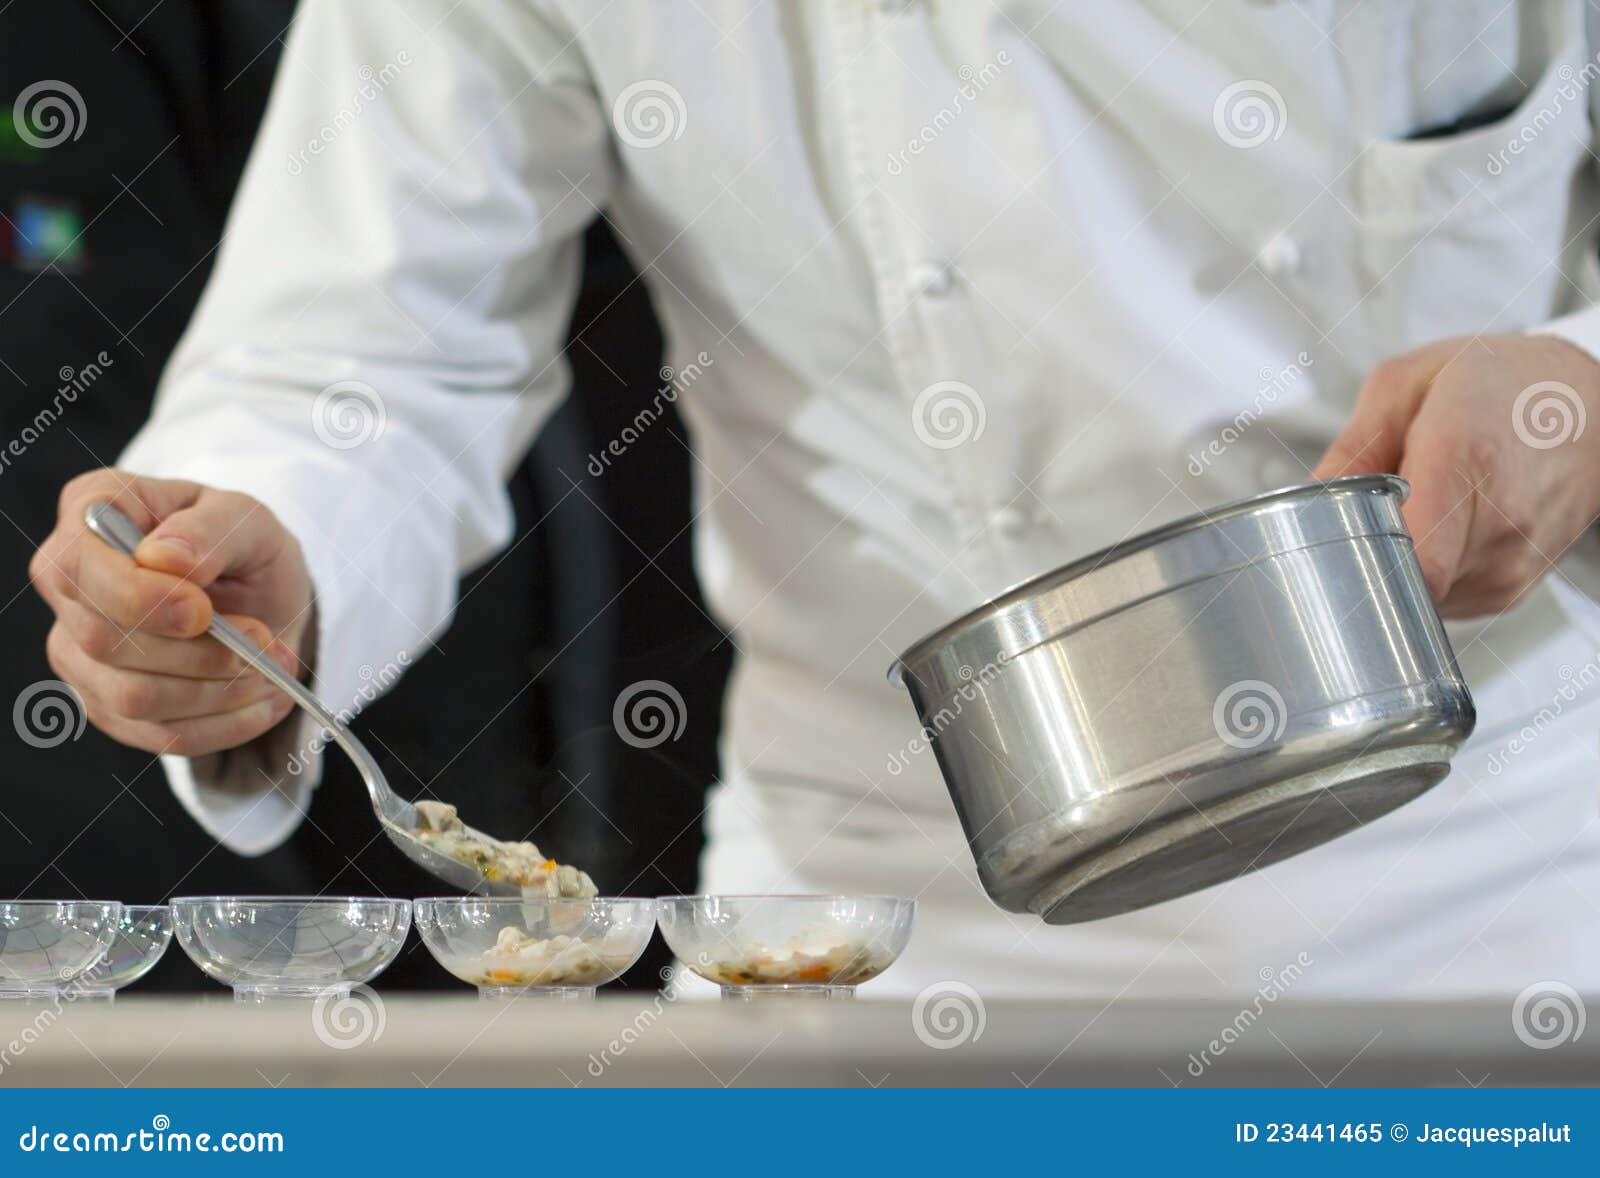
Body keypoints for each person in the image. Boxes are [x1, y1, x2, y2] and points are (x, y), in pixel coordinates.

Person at [29, 0, 1600, 998]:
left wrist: (1578, 394)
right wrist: (267, 555)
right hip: (860, 920)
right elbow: (361, 359)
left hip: (1487, 895)